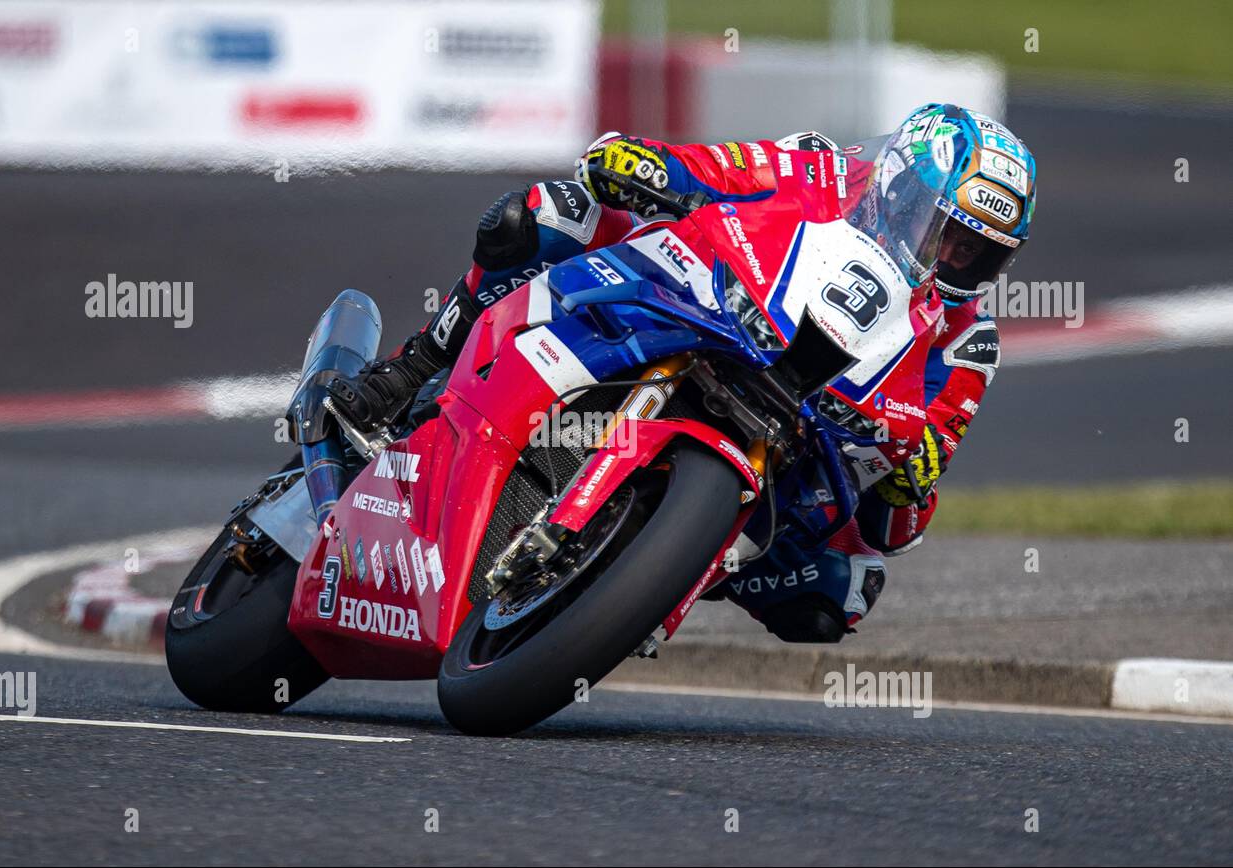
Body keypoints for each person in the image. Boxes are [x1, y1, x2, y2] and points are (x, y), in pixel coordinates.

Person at [329, 103, 1038, 643]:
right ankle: (409, 370)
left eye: (978, 255)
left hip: (790, 444)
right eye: (947, 236)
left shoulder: (965, 343)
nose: (953, 263)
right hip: (704, 312)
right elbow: (717, 169)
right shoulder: (819, 169)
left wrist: (911, 483)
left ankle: (644, 568)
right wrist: (644, 166)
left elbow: (901, 520)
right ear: (905, 189)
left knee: (839, 592)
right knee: (544, 217)